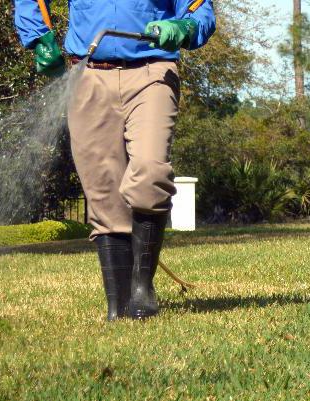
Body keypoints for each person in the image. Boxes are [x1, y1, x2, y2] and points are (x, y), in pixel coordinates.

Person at [14, 0, 215, 320]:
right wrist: (39, 37)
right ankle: (118, 304)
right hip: (88, 73)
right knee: (103, 190)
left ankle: (141, 289)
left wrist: (185, 27)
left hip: (153, 72)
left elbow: (199, 9)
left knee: (150, 172)